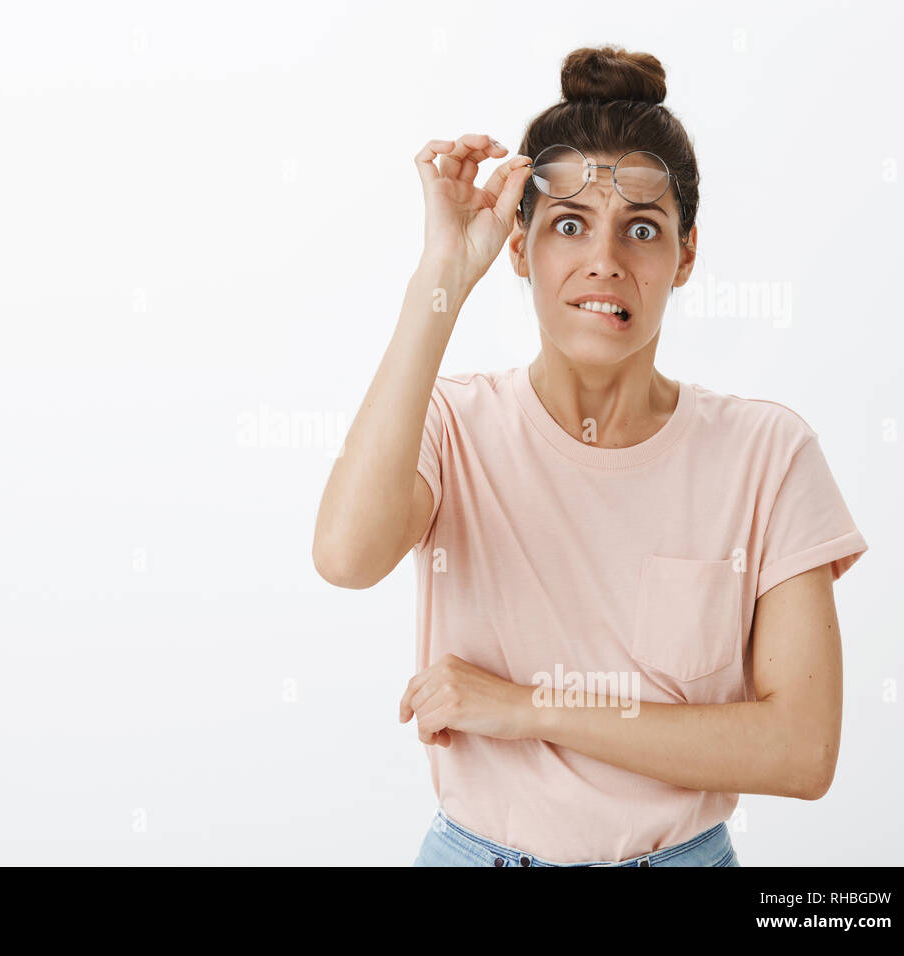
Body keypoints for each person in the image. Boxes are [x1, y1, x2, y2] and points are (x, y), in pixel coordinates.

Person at [311, 45, 869, 867]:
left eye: (641, 229)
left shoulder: (768, 453)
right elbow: (345, 557)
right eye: (568, 225)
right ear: (518, 245)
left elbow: (800, 750)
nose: (605, 259)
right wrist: (440, 273)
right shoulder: (453, 425)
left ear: (683, 257)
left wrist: (527, 707)